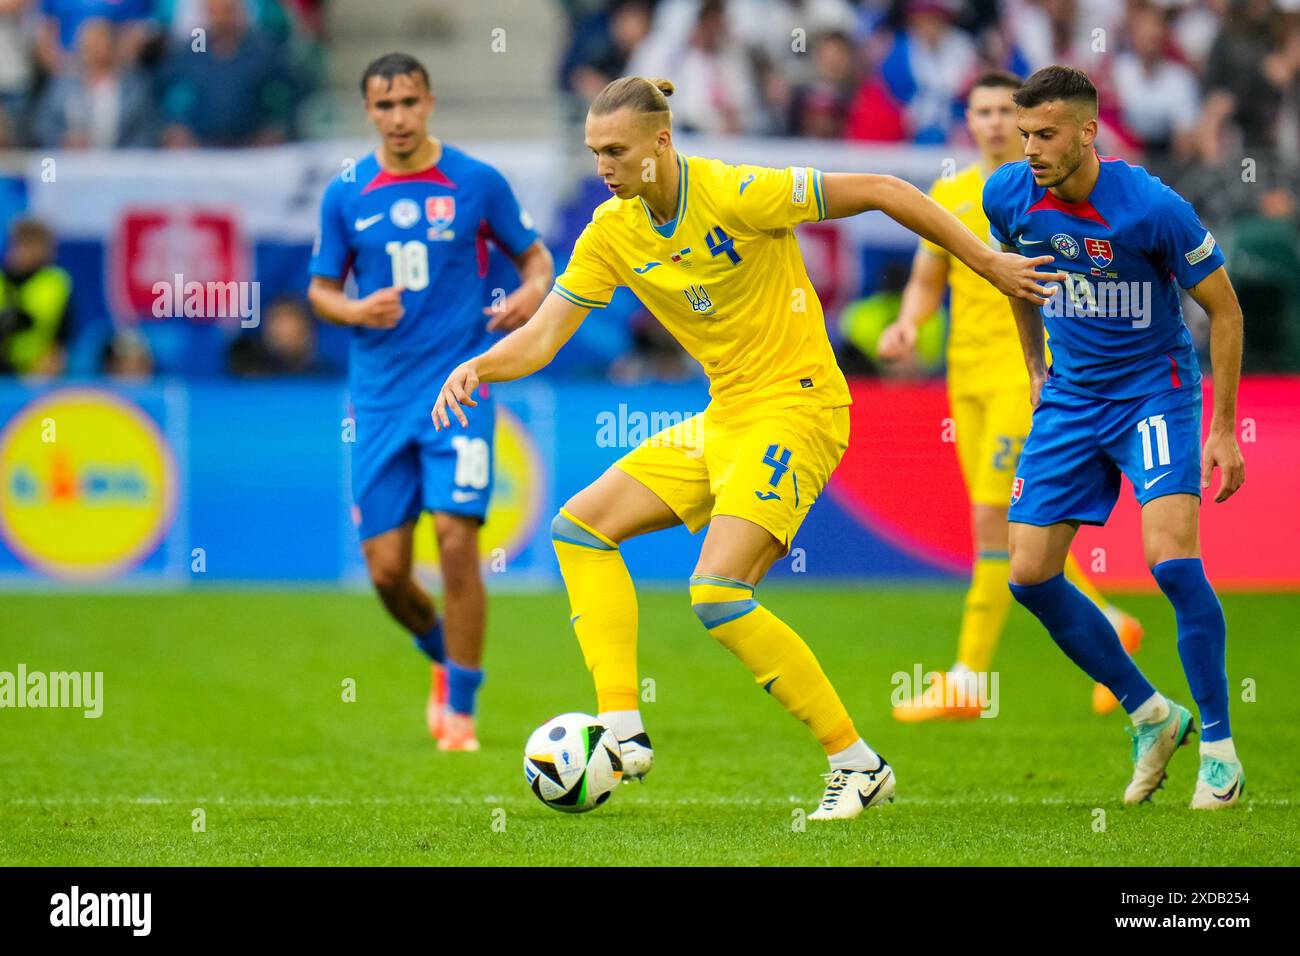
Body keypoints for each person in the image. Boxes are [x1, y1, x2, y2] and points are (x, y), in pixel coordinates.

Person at [433, 76, 1060, 819]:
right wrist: (478, 364)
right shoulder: (611, 230)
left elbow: (886, 189)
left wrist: (986, 262)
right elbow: (543, 335)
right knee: (580, 528)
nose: (602, 165)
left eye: (615, 150)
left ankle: (857, 765)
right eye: (593, 151)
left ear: (660, 144)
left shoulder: (738, 192)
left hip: (798, 408)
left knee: (717, 591)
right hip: (726, 415)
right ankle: (624, 729)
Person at [985, 65, 1246, 809]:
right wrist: (1033, 362)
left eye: (1044, 134)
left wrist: (1224, 428)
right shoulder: (1008, 194)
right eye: (1023, 131)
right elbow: (1017, 274)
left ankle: (1220, 752)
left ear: (1088, 132)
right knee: (1028, 574)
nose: (1028, 146)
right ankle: (1151, 714)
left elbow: (1224, 312)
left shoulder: (1151, 208)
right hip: (1071, 399)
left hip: (1151, 396)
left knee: (1170, 564)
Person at [307, 52, 554, 752]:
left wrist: (527, 298)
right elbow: (321, 290)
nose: (399, 118)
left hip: (459, 387)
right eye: (385, 107)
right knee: (386, 572)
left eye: (409, 103)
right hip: (381, 399)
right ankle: (443, 653)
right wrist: (354, 311)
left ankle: (464, 711)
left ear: (430, 102)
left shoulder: (476, 183)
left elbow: (538, 261)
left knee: (455, 539)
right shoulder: (346, 192)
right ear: (368, 112)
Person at [878, 70, 1143, 721]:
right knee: (1016, 527)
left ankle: (968, 676)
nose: (995, 122)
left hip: (1025, 372)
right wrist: (909, 321)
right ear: (967, 120)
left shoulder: (1048, 192)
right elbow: (926, 274)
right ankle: (1110, 623)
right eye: (984, 111)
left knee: (994, 523)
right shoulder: (952, 191)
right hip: (962, 378)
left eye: (1005, 110)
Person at [0, 219, 72, 376]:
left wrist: (52, 361)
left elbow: (65, 333)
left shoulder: (55, 282)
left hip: (39, 371)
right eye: (21, 244)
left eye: (33, 245)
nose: (25, 252)